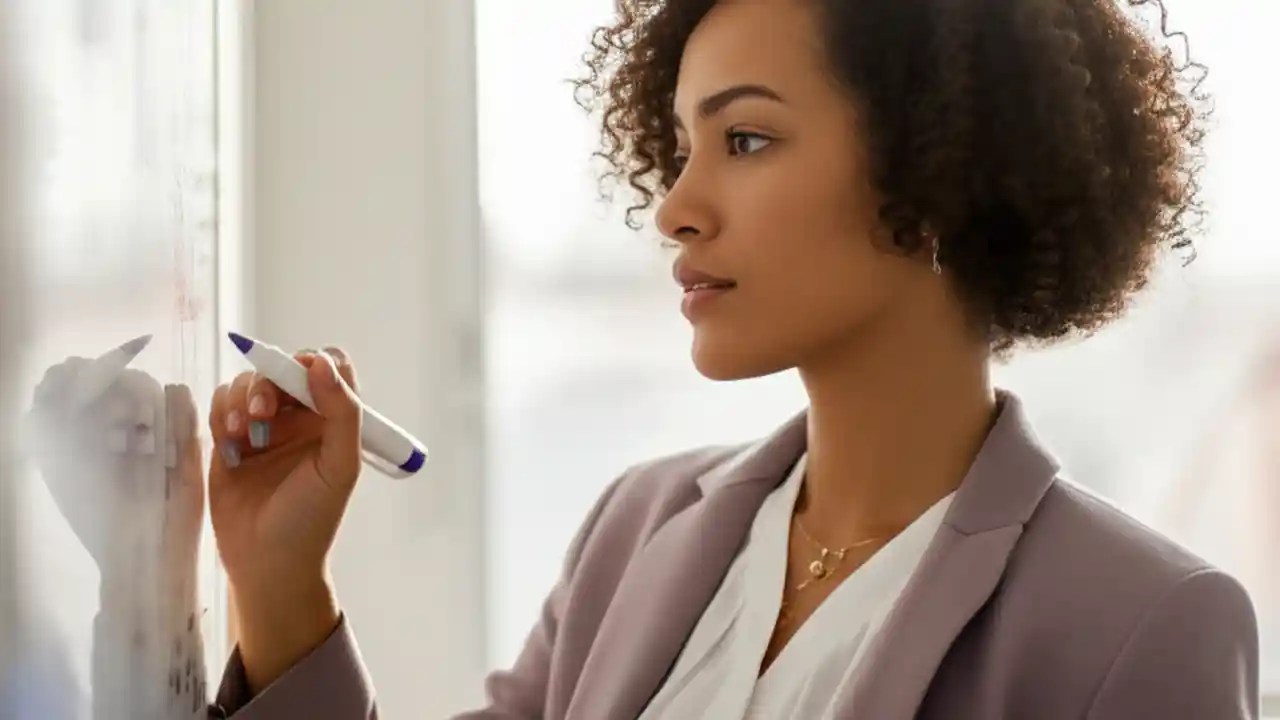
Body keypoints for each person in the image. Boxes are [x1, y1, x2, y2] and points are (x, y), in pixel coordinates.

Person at [202, 0, 1261, 717]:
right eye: (678, 148)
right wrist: (281, 582)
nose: (673, 208)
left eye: (744, 141)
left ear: (938, 171)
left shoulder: (1141, 623)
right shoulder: (639, 527)